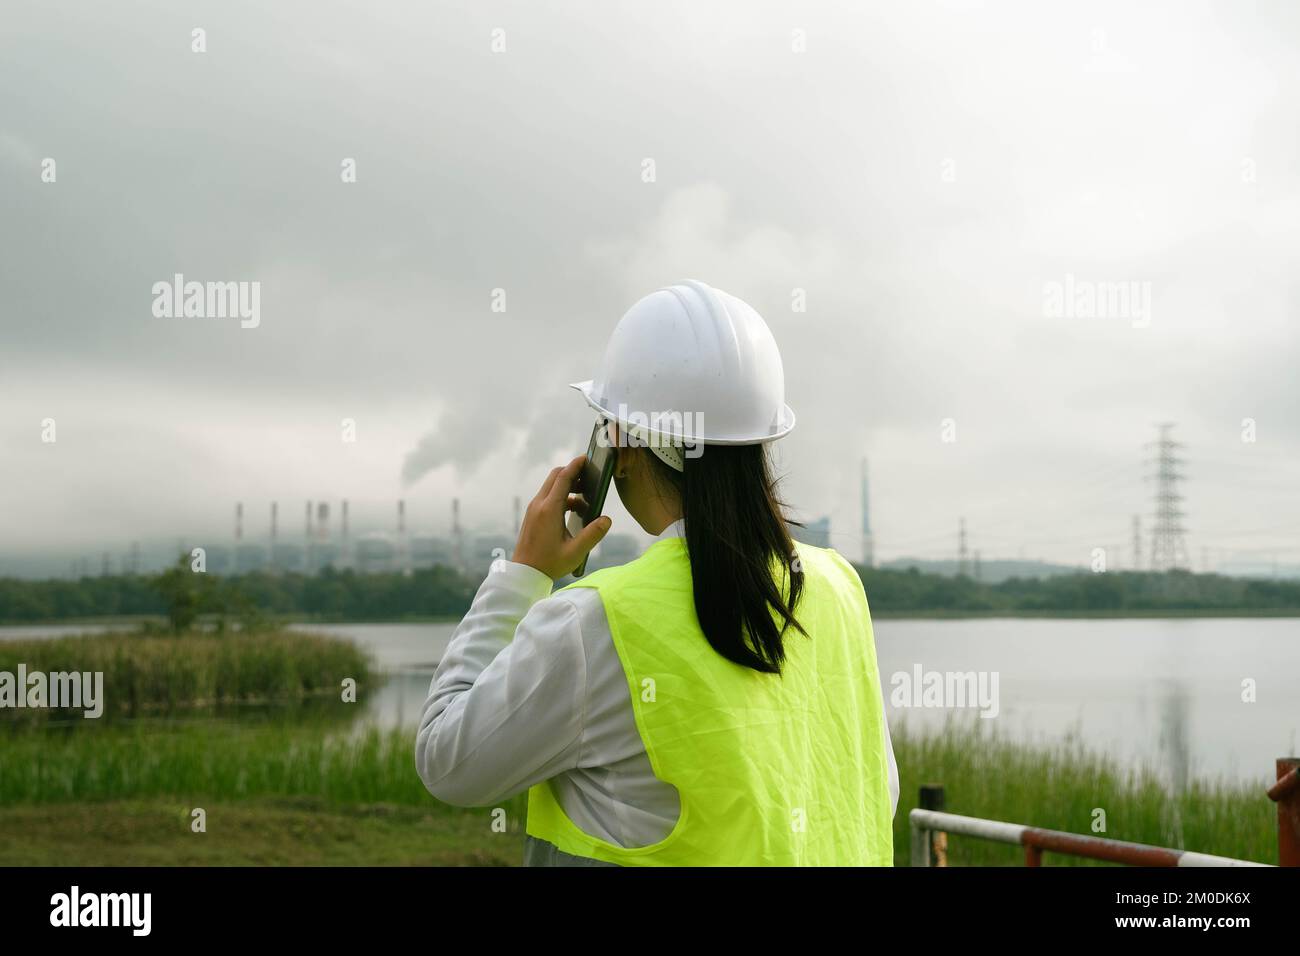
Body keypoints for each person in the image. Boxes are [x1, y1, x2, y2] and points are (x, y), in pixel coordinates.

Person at [415, 280, 897, 865]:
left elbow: (447, 762)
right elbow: (877, 790)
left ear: (624, 448)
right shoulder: (839, 588)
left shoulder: (595, 620)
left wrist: (522, 575)